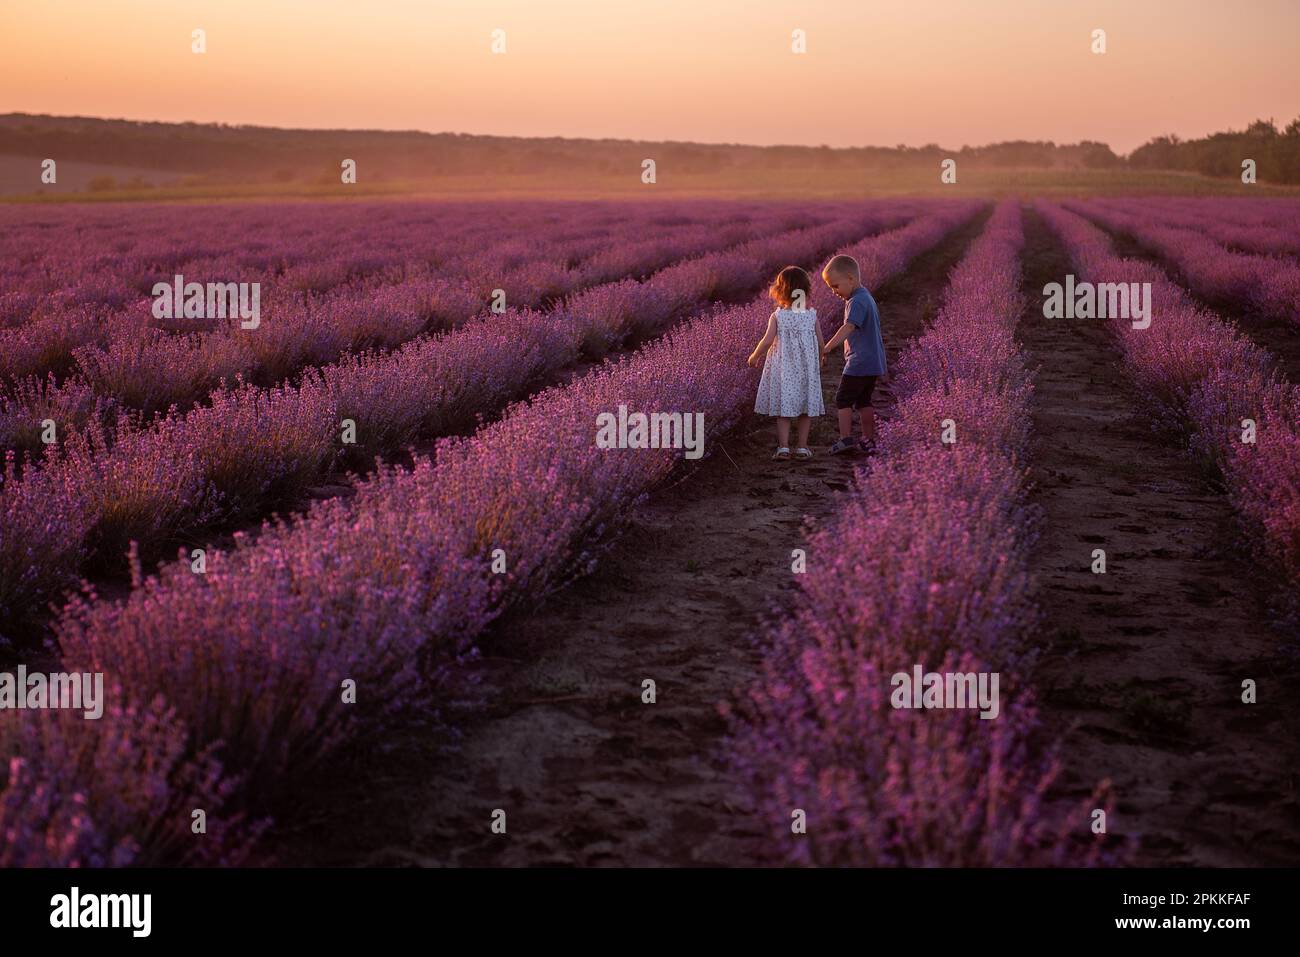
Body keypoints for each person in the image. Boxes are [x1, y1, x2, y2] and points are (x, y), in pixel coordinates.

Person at [748, 265, 825, 460]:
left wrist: (755, 356)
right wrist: (821, 357)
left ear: (780, 292)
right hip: (807, 370)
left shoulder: (778, 316)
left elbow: (766, 340)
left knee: (783, 409)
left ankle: (783, 447)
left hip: (784, 370)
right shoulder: (811, 316)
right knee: (805, 409)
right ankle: (802, 447)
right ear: (806, 291)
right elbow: (820, 341)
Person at [820, 254, 885, 454]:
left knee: (842, 400)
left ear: (850, 278)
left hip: (859, 361)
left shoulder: (856, 301)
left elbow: (848, 327)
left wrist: (827, 347)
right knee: (864, 400)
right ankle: (869, 440)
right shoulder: (866, 296)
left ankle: (845, 439)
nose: (834, 292)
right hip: (873, 361)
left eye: (835, 286)